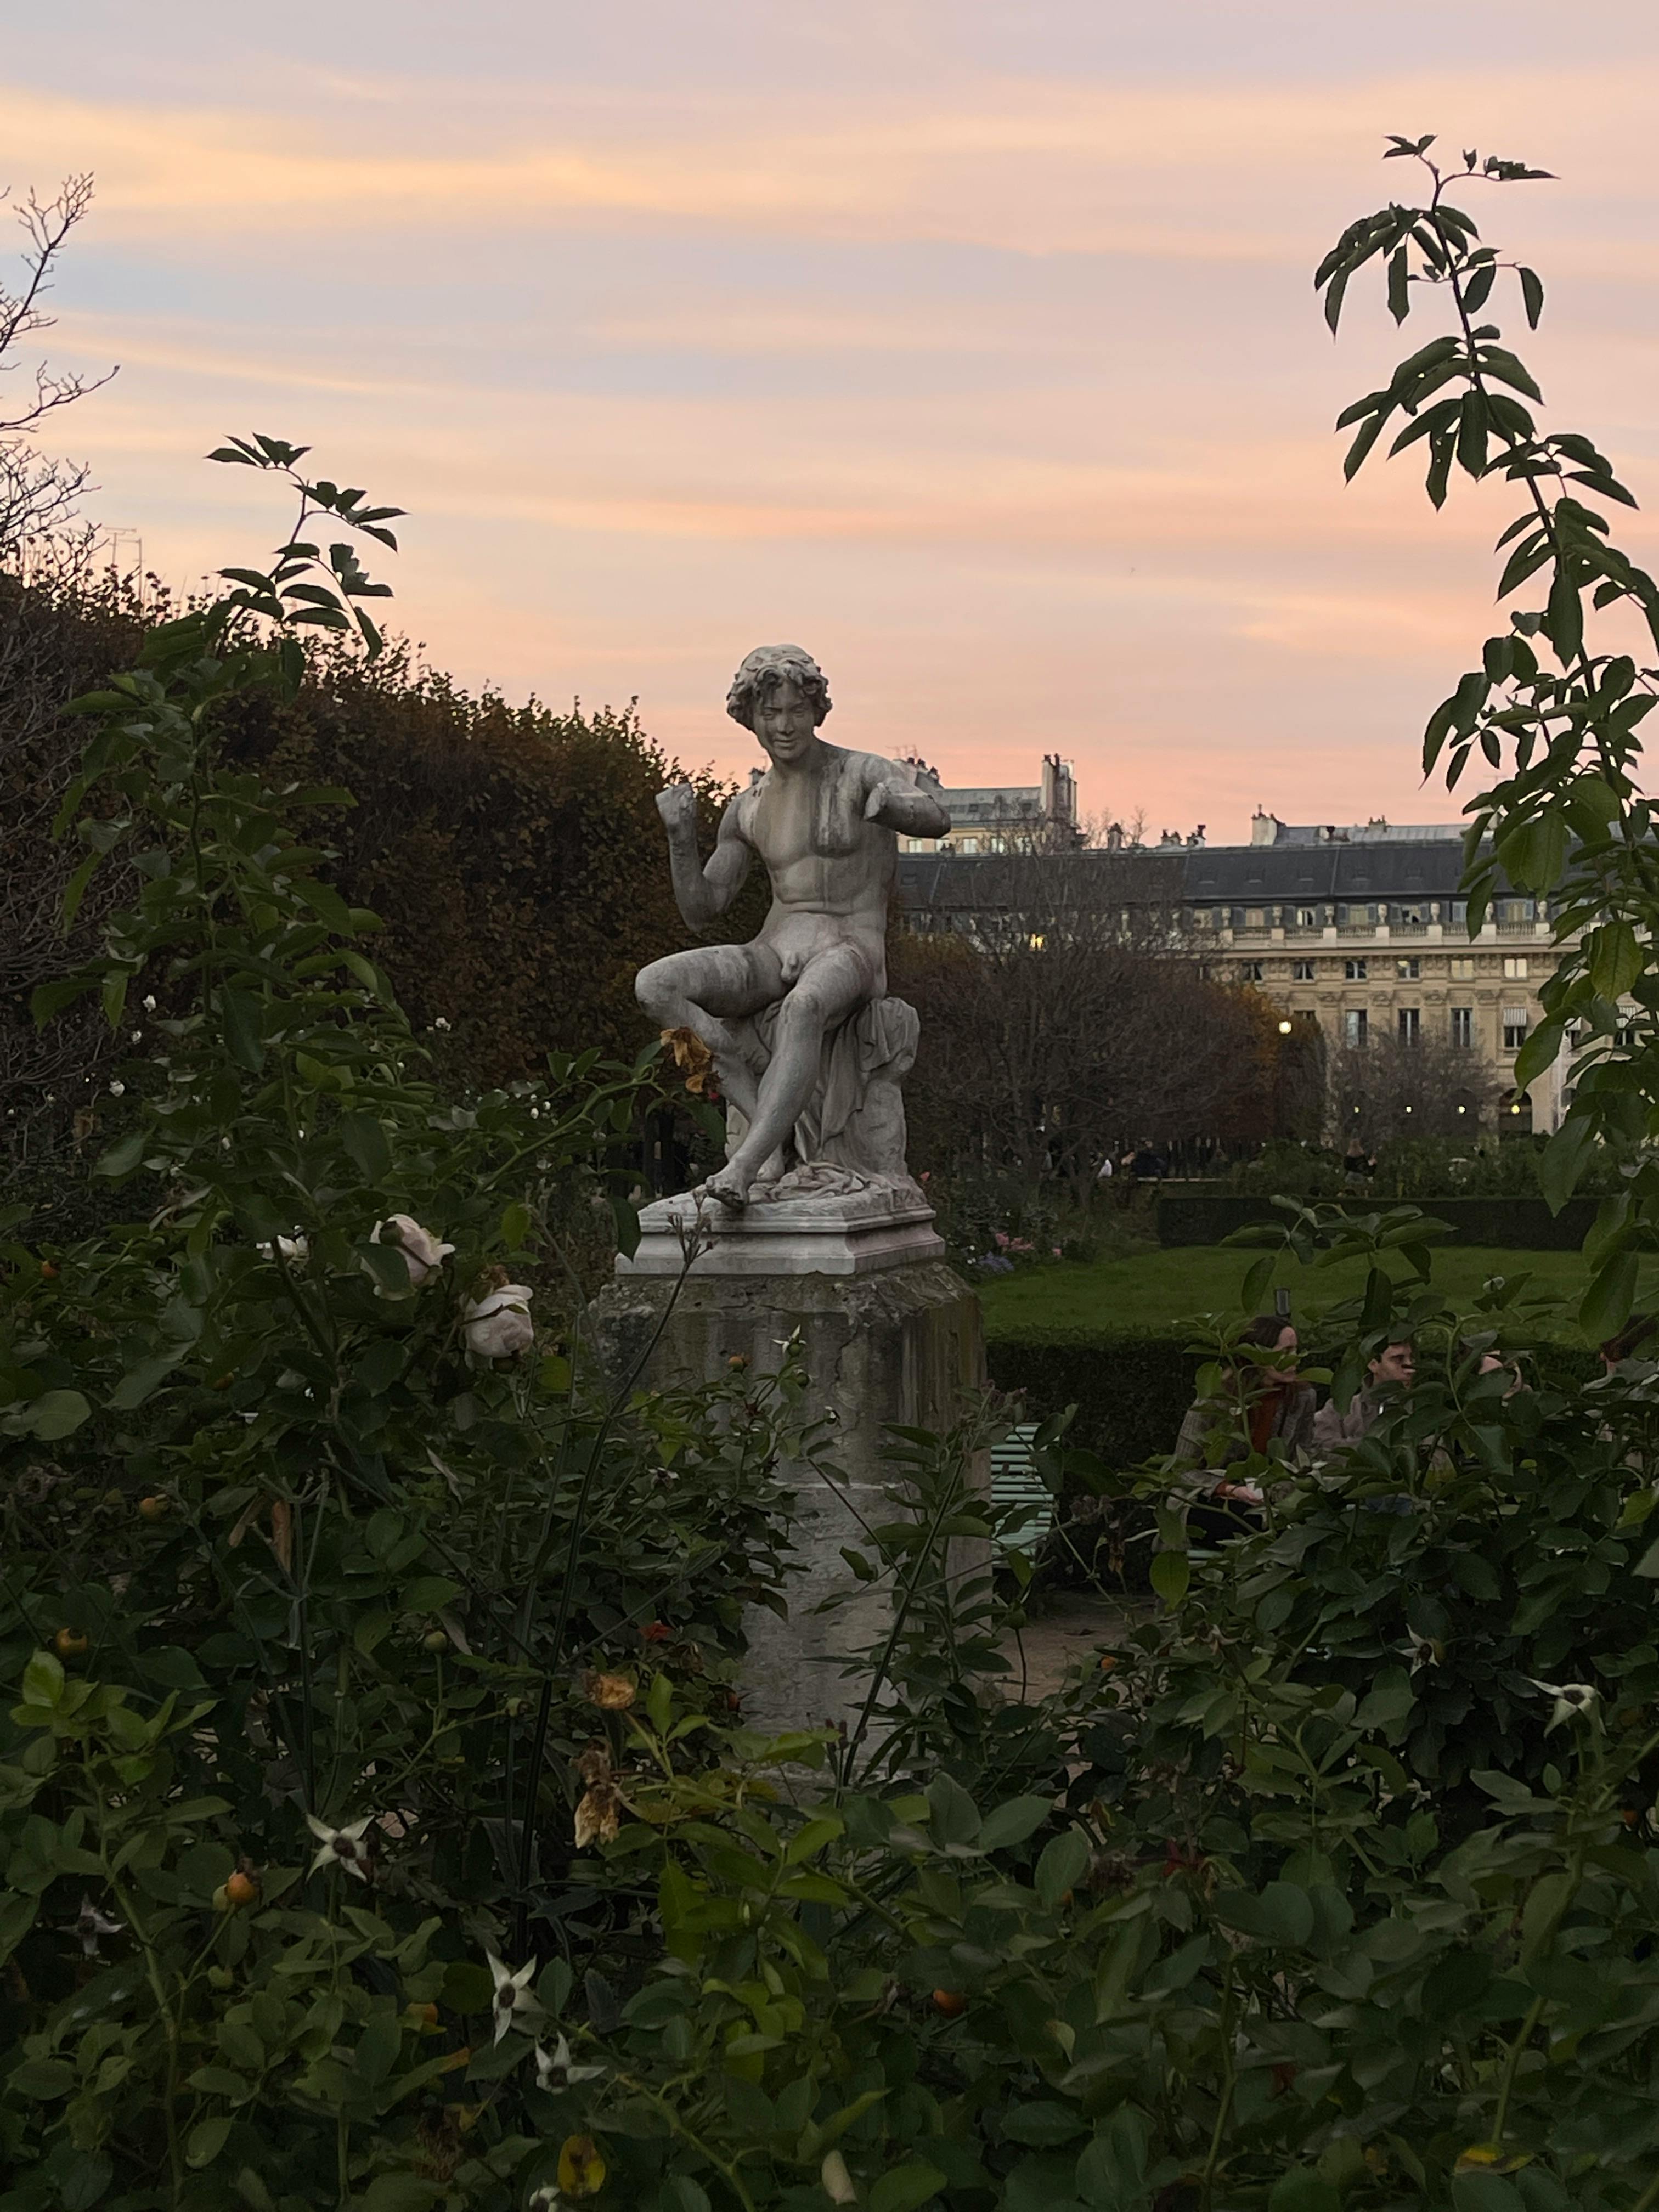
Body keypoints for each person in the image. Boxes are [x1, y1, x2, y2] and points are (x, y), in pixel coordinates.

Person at [636, 645, 950, 1208]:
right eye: (771, 714)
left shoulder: (860, 772)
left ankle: (746, 1164)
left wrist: (892, 808)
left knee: (803, 1008)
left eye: (796, 712)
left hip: (851, 946)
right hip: (774, 946)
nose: (784, 726)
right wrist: (680, 840)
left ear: (816, 711)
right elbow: (703, 908)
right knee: (656, 986)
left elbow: (936, 818)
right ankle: (759, 1107)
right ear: (750, 718)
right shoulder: (748, 806)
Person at [1172, 1315, 1317, 1517]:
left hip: (1275, 1496)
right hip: (1215, 1496)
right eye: (1285, 1352)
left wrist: (1279, 1490)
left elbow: (1304, 1455)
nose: (1296, 1359)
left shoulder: (1302, 1397)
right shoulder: (1217, 1399)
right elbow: (1182, 1468)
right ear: (1257, 1356)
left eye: (1296, 1350)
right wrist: (1229, 1489)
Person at [1312, 1338, 1414, 1451]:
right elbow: (1322, 1447)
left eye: (1412, 1359)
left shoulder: (1420, 1409)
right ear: (1373, 1364)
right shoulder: (1338, 1409)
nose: (1410, 1369)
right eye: (1398, 1360)